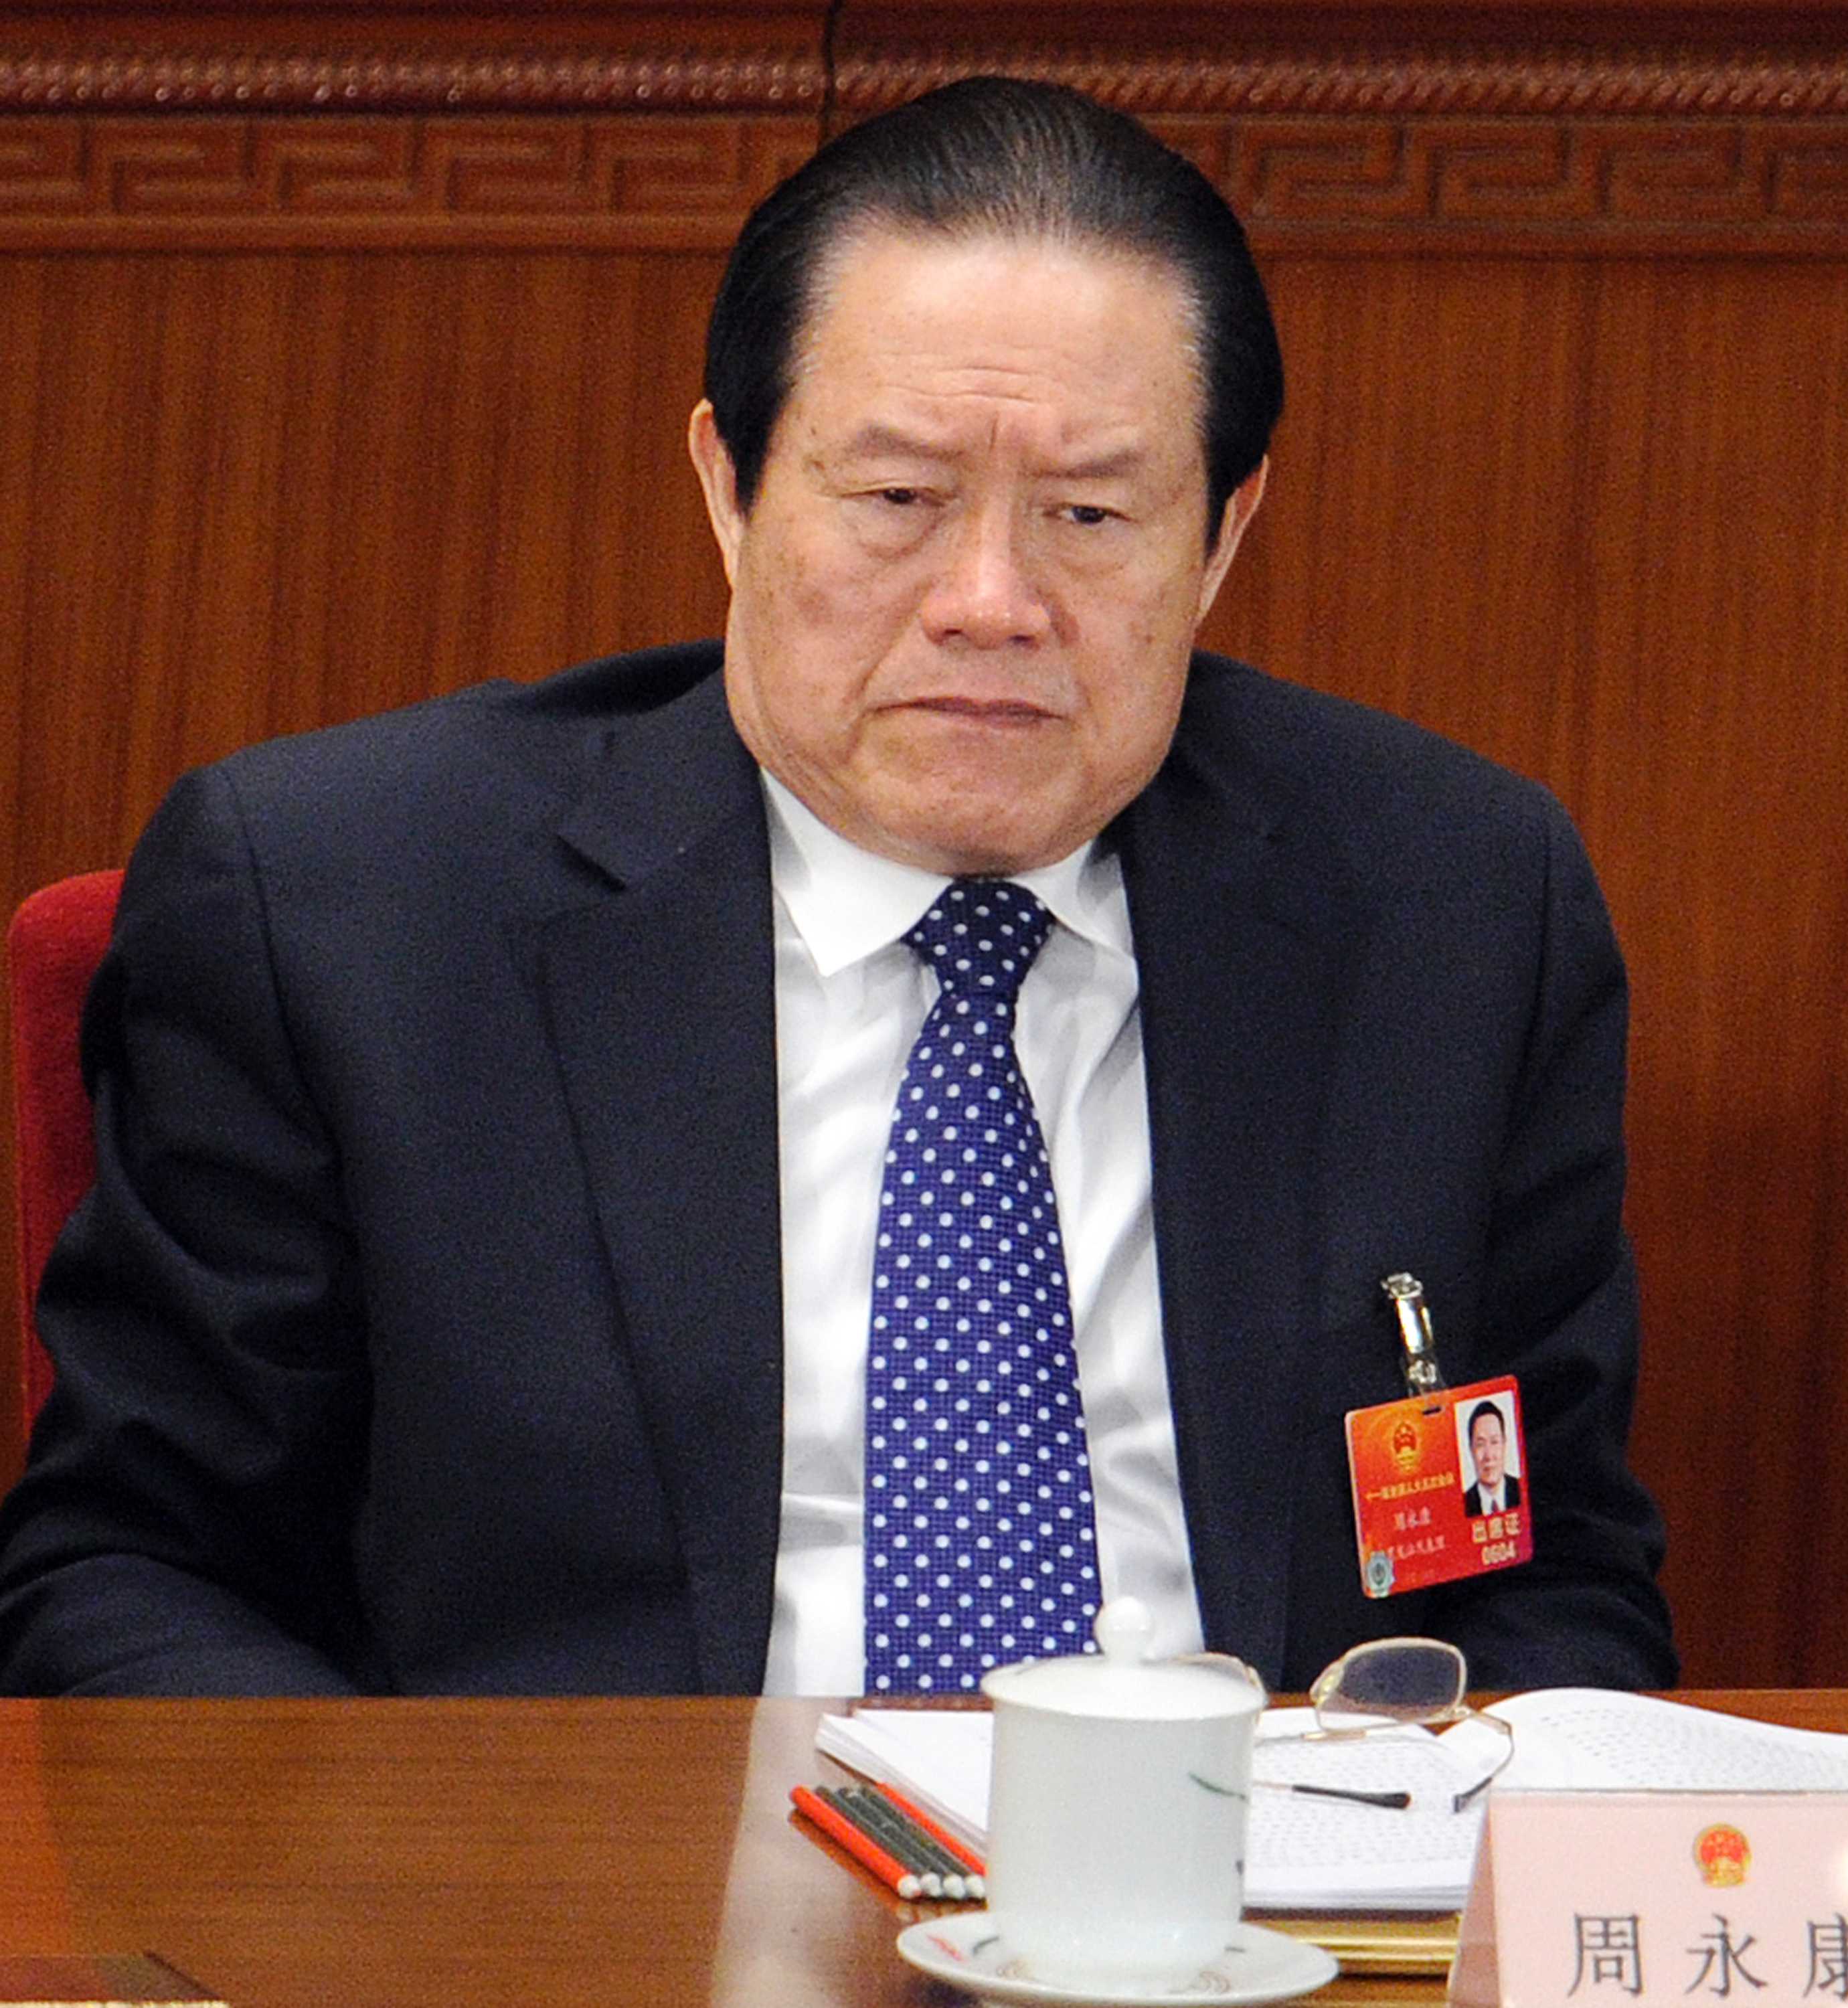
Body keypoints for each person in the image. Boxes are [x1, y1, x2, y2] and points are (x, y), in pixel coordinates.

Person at [0, 77, 1675, 1697]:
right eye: (896, 500)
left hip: (1251, 1864)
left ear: (1222, 534)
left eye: (1091, 514)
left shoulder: (1452, 907)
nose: (989, 600)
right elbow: (133, 1572)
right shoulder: (344, 909)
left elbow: (1547, 1578)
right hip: (608, 1866)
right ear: (729, 489)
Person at [1462, 1400, 1521, 1519]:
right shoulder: (1463, 1504)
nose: (1488, 1456)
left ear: (1504, 1444)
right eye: (1480, 1444)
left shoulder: (1522, 1490)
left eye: (1494, 1442)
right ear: (1471, 1449)